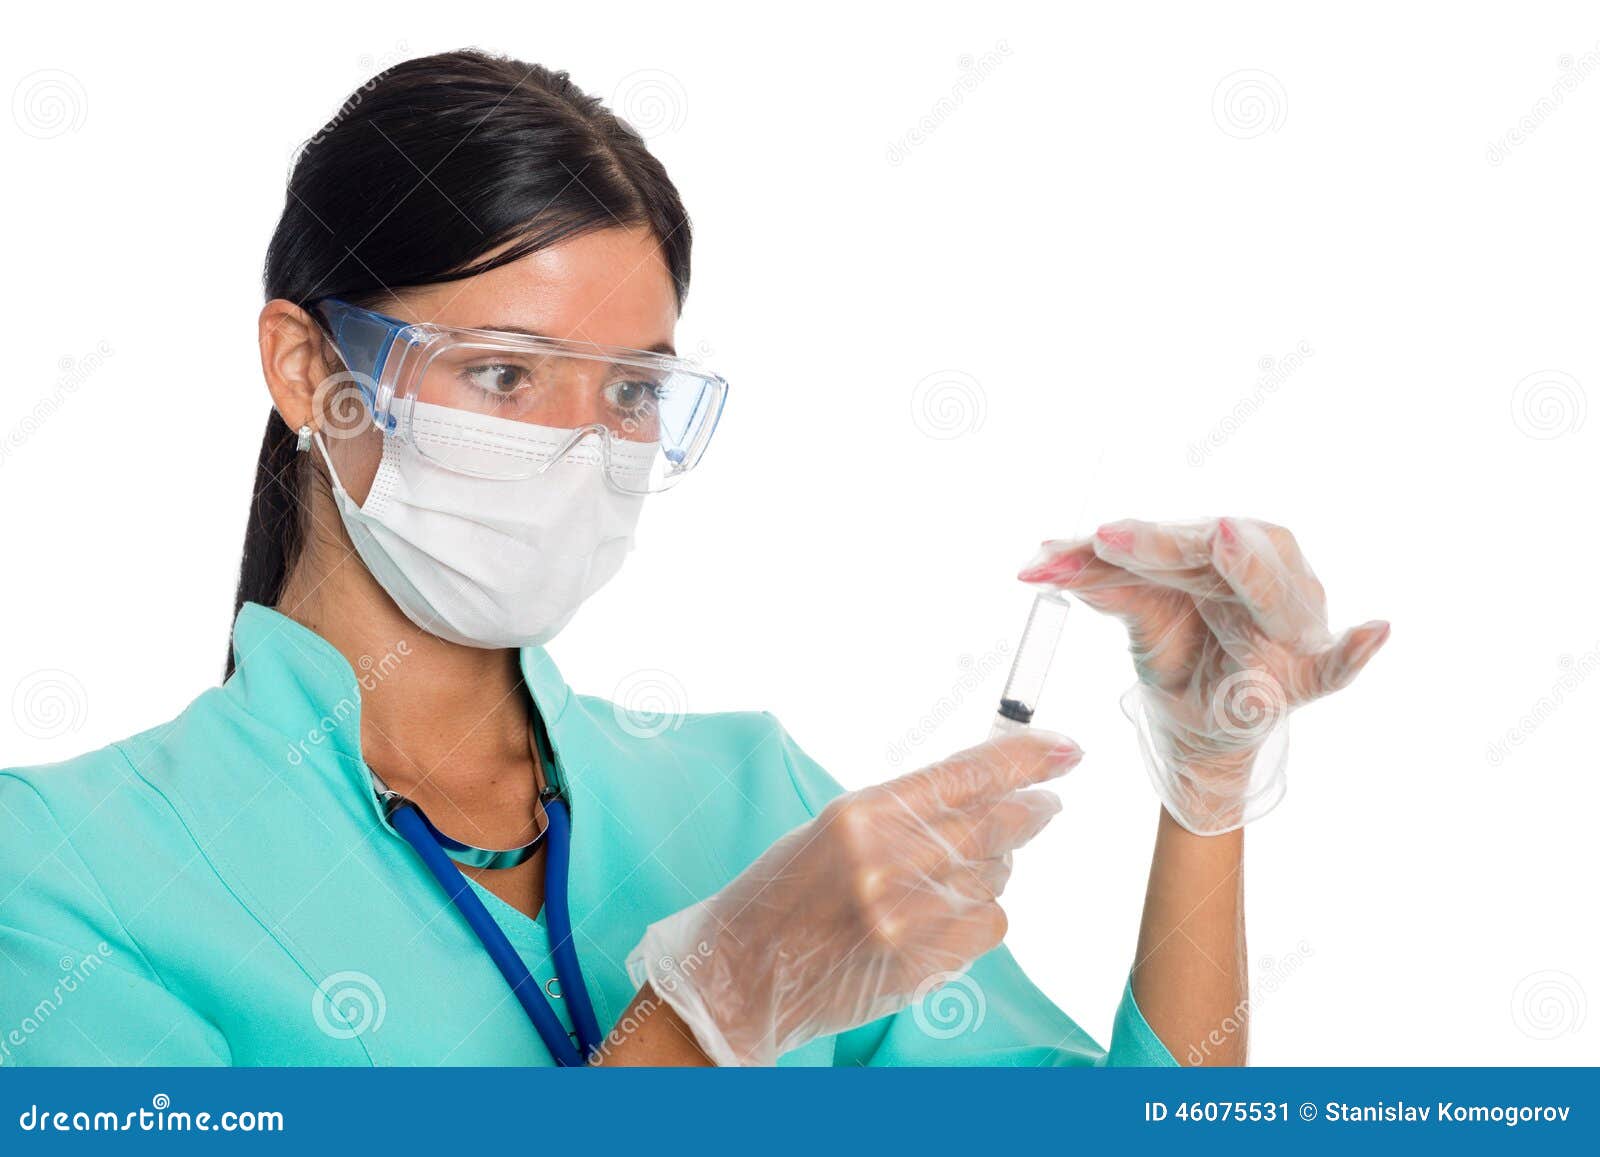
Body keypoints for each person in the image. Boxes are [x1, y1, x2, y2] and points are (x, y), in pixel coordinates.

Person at [0, 51, 1387, 1068]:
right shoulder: (61, 871)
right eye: (503, 374)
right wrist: (702, 1015)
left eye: (629, 391)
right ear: (311, 371)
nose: (575, 446)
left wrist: (1206, 797)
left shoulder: (749, 800)